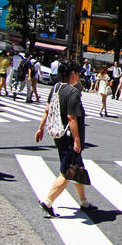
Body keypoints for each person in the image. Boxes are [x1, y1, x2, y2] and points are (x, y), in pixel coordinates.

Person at [35, 60, 96, 215]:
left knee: (77, 168)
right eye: (78, 73)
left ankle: (84, 202)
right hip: (70, 137)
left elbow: (47, 109)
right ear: (72, 74)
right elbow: (71, 118)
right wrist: (77, 140)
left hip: (59, 134)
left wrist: (40, 128)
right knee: (66, 171)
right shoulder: (73, 92)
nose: (80, 77)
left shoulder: (56, 88)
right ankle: (48, 201)